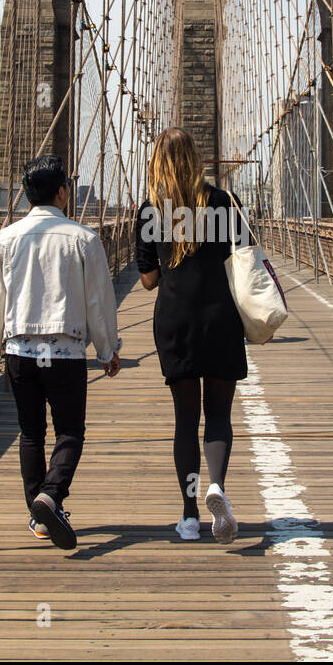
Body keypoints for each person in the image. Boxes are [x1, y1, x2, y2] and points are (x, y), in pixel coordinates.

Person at [0, 154, 122, 550]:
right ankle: (52, 496)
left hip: (20, 352)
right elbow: (98, 303)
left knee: (30, 433)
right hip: (66, 352)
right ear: (60, 192)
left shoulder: (5, 239)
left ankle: (38, 516)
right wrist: (108, 348)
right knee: (70, 431)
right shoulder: (84, 239)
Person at [134, 127, 250, 544]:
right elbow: (246, 257)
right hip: (221, 319)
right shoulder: (224, 202)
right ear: (197, 159)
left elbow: (148, 279)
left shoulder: (151, 210)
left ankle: (188, 517)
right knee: (218, 413)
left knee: (185, 419)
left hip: (176, 322)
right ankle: (217, 486)